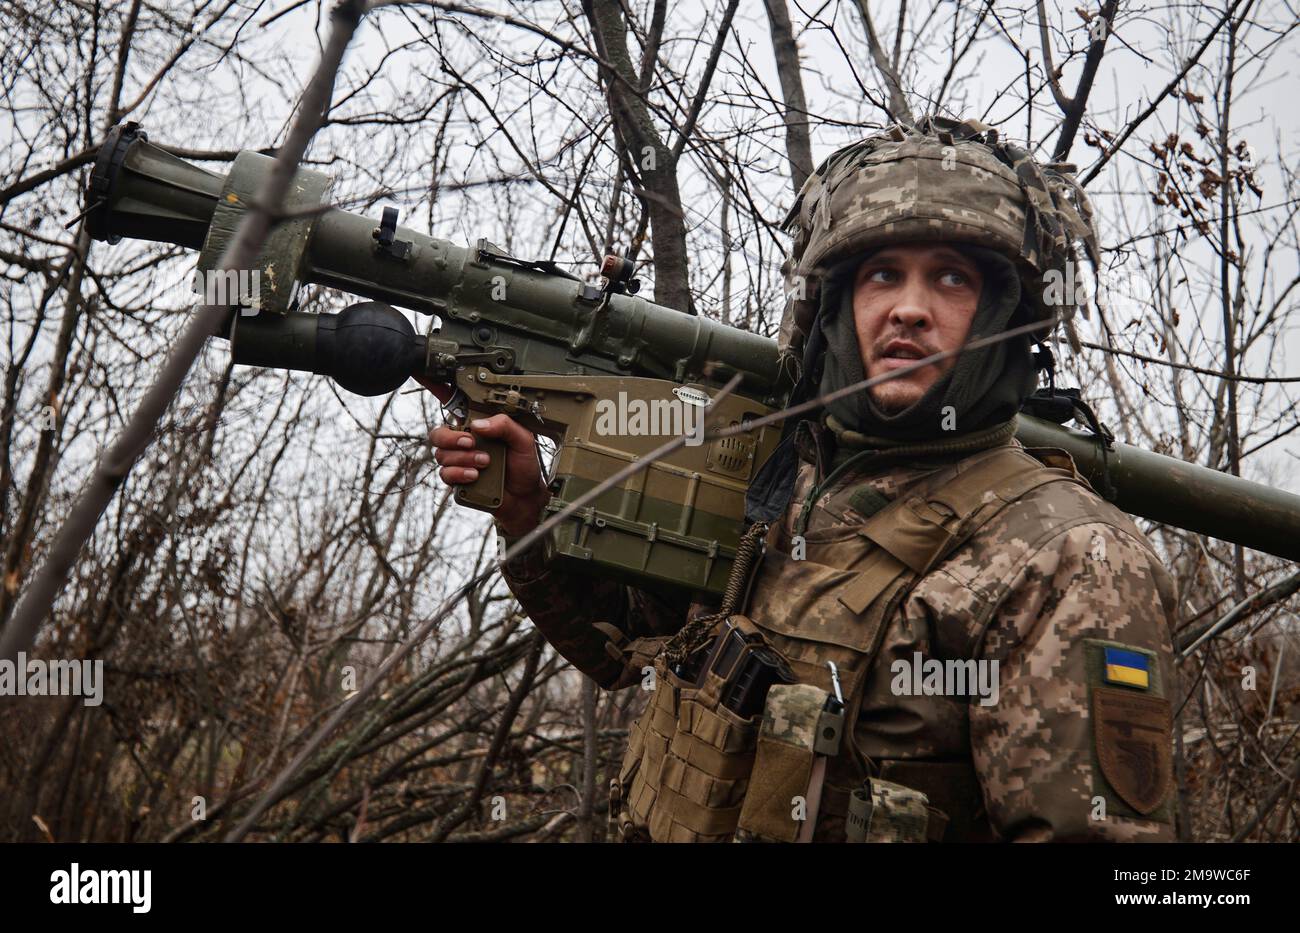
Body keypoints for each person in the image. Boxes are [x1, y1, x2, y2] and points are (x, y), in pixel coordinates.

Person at [424, 117, 1179, 843]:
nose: (909, 309)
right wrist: (528, 510)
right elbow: (624, 645)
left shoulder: (1071, 557)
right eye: (883, 274)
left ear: (1003, 315)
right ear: (836, 304)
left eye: (950, 278)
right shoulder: (786, 479)